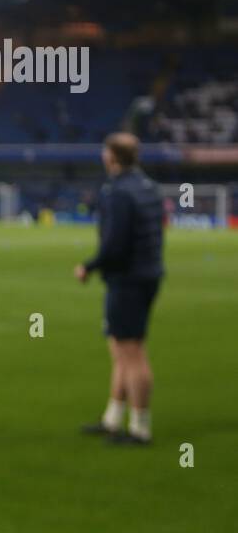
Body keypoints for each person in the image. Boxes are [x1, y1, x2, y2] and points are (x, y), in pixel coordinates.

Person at [75, 133, 164, 445]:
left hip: (128, 279)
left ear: (111, 157)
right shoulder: (148, 187)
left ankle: (140, 428)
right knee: (121, 349)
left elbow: (115, 244)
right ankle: (113, 418)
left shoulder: (118, 192)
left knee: (132, 353)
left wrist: (88, 266)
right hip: (147, 274)